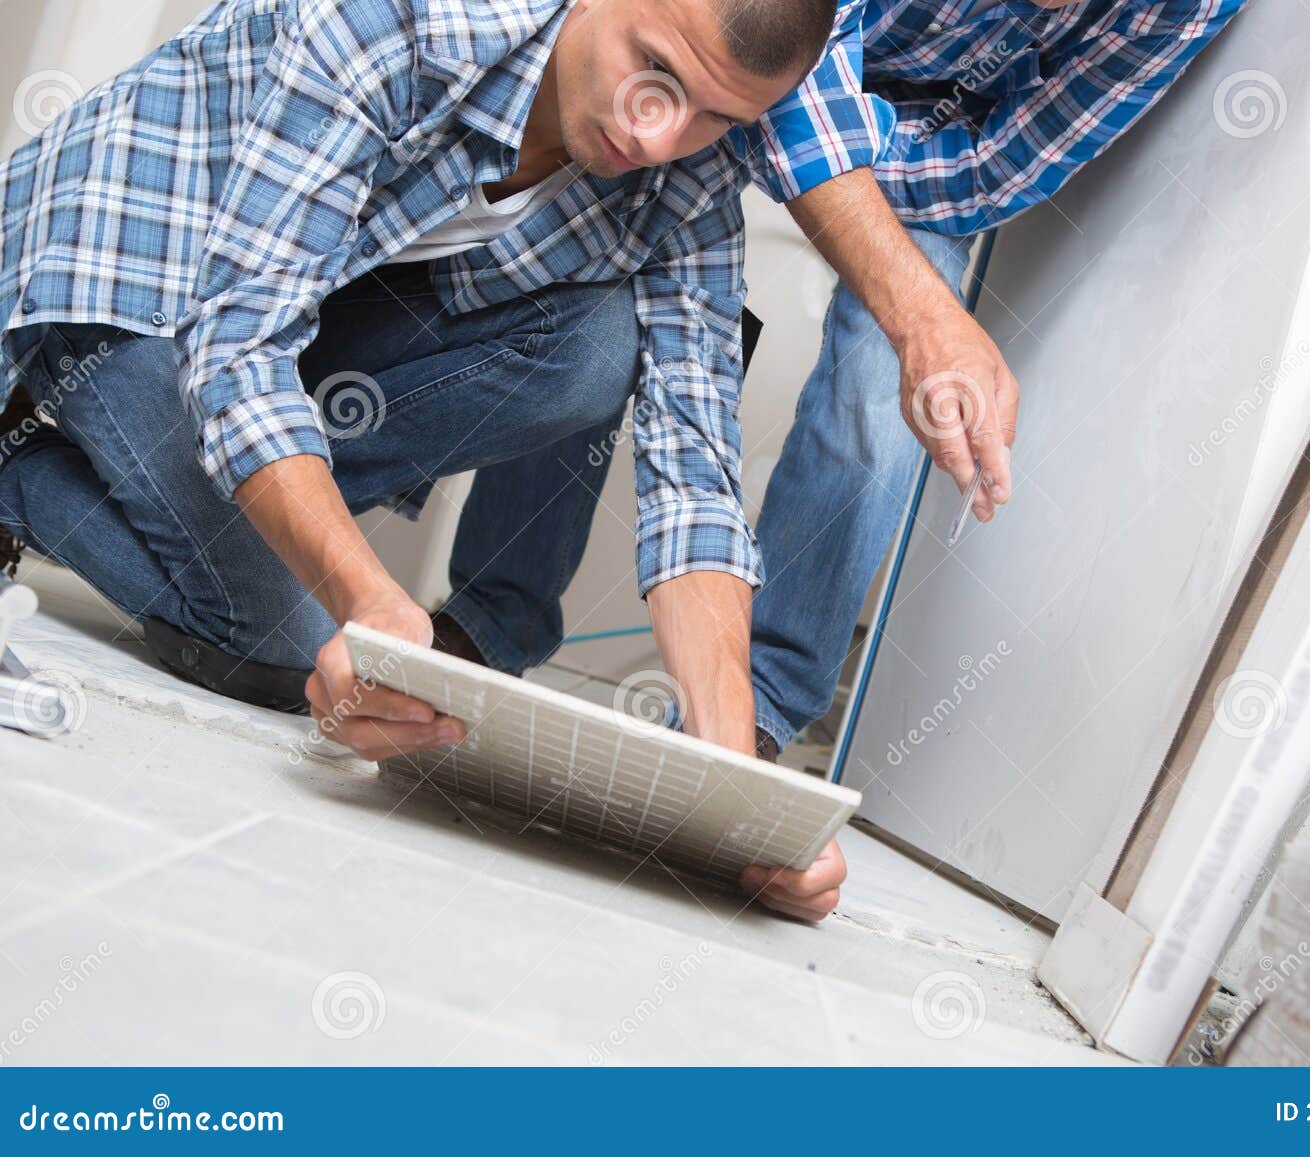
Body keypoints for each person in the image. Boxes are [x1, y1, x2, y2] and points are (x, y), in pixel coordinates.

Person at [0, 0, 851, 919]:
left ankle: (175, 489)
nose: (658, 135)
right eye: (654, 67)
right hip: (124, 273)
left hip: (296, 316)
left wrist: (736, 802)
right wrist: (367, 600)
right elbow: (241, 345)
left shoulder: (689, 182)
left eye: (717, 117)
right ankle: (19, 472)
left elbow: (696, 478)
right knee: (292, 644)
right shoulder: (399, 20)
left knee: (598, 347)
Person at [454, 0, 1249, 760]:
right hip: (758, 53)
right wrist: (785, 122)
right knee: (605, 260)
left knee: (886, 405)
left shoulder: (1186, 3)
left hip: (914, 155)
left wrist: (840, 160)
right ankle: (494, 619)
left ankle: (751, 715)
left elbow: (989, 172)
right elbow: (774, 48)